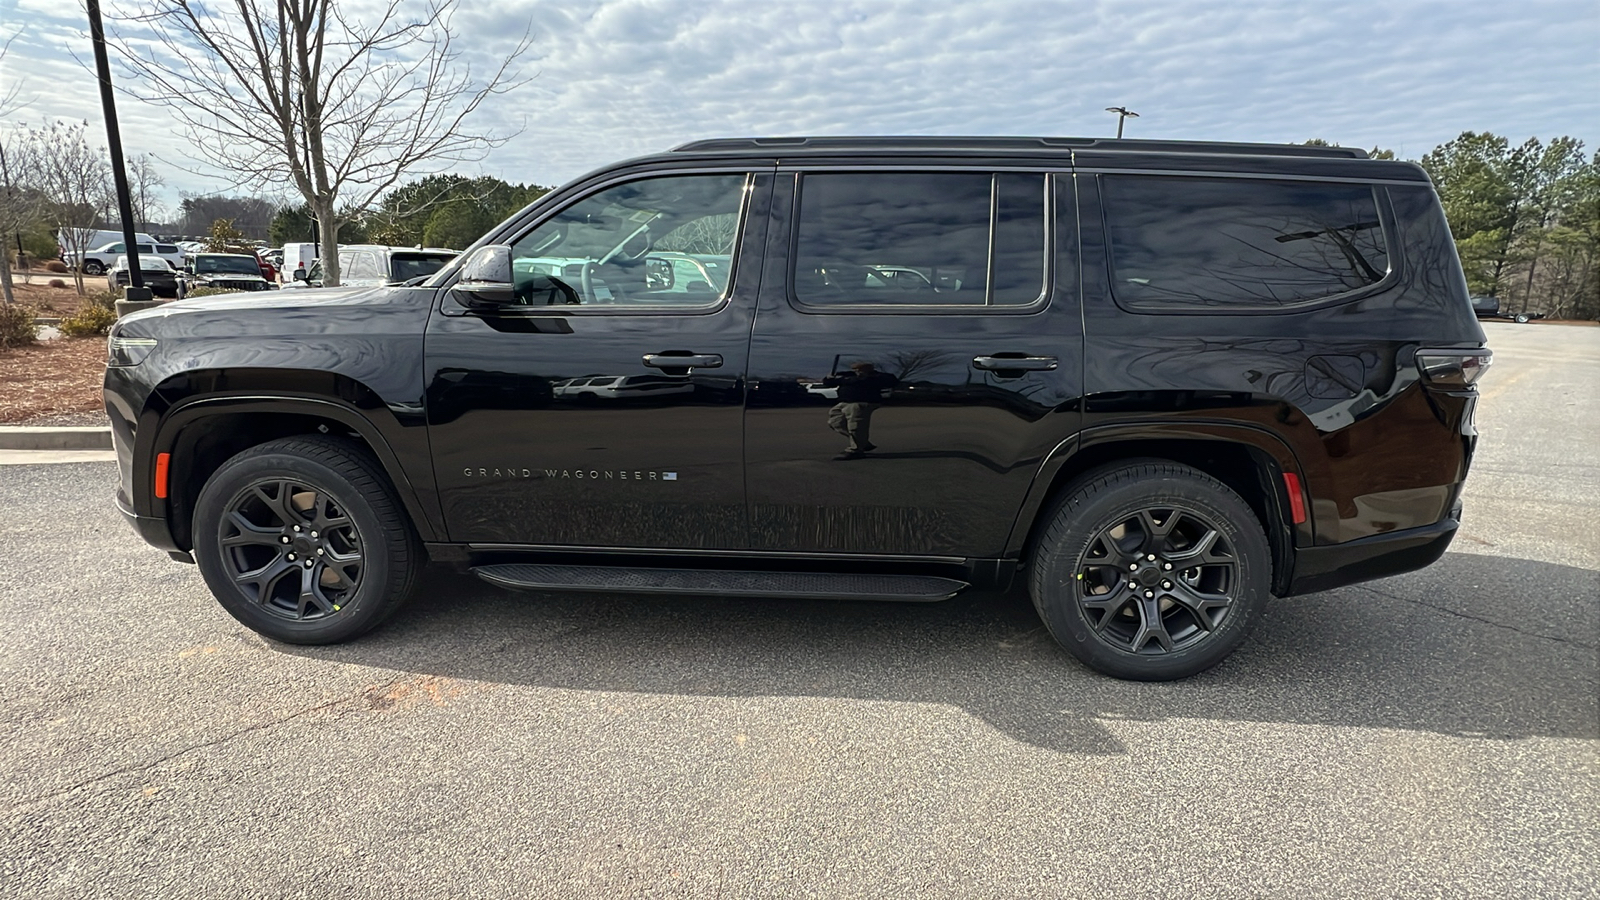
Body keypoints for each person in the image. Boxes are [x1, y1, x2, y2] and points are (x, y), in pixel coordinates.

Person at [821, 362, 897, 460]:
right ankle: (863, 443)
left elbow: (891, 381)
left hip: (862, 403)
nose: (857, 371)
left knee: (856, 426)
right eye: (855, 369)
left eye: (860, 369)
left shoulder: (877, 377)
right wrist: (829, 378)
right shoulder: (847, 375)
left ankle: (855, 450)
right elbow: (828, 383)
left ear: (869, 369)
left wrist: (847, 380)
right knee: (835, 422)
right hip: (844, 402)